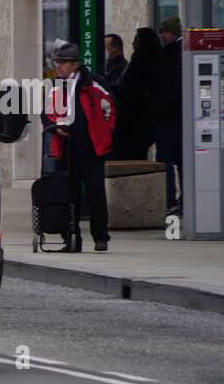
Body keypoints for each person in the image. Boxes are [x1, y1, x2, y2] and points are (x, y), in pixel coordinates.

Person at [44, 42, 116, 252]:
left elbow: (110, 108)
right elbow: (47, 113)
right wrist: (54, 128)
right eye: (56, 62)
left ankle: (100, 237)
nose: (58, 66)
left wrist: (105, 133)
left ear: (75, 65)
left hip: (90, 145)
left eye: (62, 62)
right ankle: (71, 238)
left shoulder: (94, 83)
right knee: (67, 193)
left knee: (95, 191)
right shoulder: (55, 85)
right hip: (65, 146)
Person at [114, 27, 160, 160]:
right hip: (139, 121)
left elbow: (129, 90)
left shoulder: (141, 63)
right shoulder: (146, 62)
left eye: (136, 40)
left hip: (134, 121)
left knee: (132, 155)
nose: (133, 44)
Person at [155, 15, 183, 214]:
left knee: (167, 159)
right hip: (174, 118)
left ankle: (171, 199)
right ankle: (177, 199)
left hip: (170, 119)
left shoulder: (175, 54)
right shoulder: (171, 52)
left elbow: (169, 88)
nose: (162, 35)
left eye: (164, 31)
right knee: (179, 160)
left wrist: (160, 111)